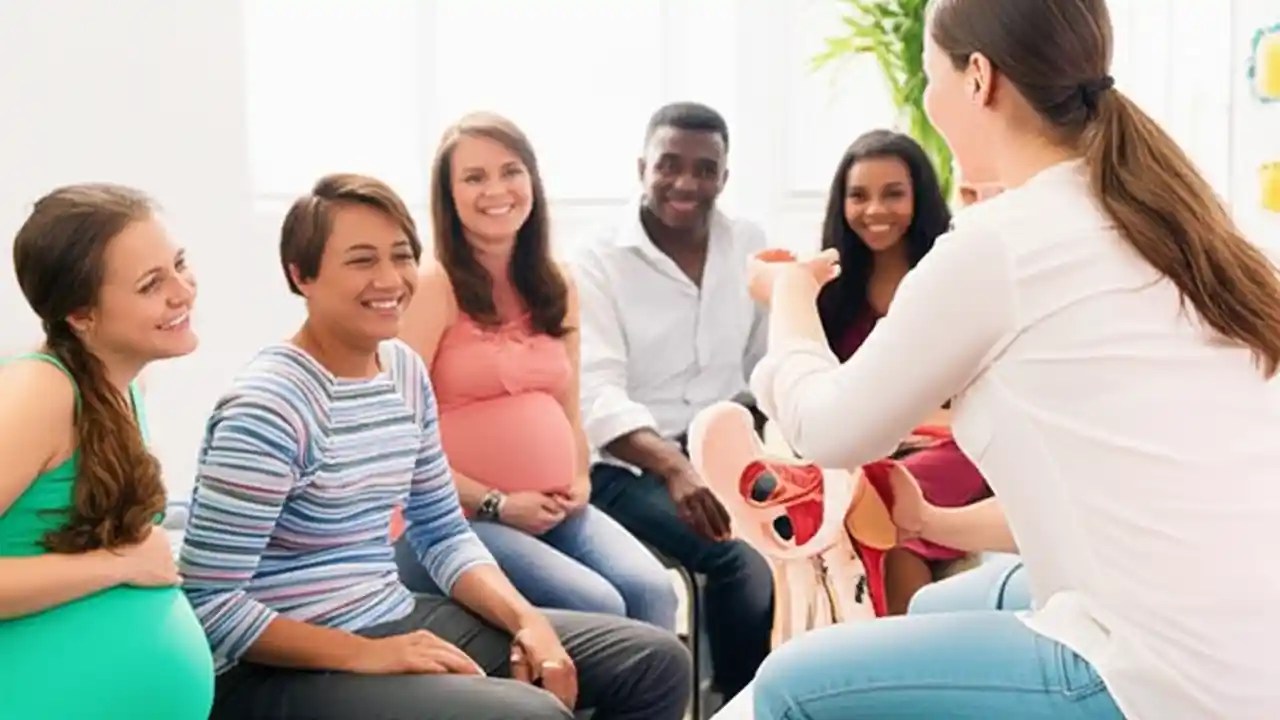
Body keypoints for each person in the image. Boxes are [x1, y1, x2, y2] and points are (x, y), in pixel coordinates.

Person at [744, 0, 1280, 718]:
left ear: (978, 78)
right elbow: (1120, 492)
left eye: (930, 78)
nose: (928, 101)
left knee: (788, 685)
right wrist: (935, 521)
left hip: (1170, 678)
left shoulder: (1002, 245)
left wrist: (788, 296)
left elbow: (830, 429)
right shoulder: (1176, 226)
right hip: (1246, 642)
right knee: (938, 603)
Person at [178, 173, 690, 720]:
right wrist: (367, 655)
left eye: (400, 256)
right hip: (278, 670)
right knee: (527, 713)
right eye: (361, 260)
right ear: (301, 276)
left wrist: (527, 621)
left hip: (390, 614)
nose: (390, 279)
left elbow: (442, 530)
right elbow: (211, 605)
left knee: (655, 661)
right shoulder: (269, 406)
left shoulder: (401, 371)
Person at [396, 111, 677, 631]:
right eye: (474, 177)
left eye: (510, 171)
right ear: (448, 195)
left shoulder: (555, 281)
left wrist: (577, 479)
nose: (496, 189)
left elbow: (568, 408)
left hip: (554, 508)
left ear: (532, 182)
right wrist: (498, 503)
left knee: (652, 591)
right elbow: (398, 438)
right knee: (598, 604)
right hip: (450, 519)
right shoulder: (432, 287)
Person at [574, 101, 774, 701]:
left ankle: (784, 690)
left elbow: (766, 362)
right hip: (628, 465)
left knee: (805, 535)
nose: (686, 183)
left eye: (704, 168)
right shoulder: (597, 256)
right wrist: (678, 468)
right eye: (669, 164)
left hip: (721, 447)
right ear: (642, 167)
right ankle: (735, 705)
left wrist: (753, 449)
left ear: (724, 176)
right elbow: (596, 391)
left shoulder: (749, 243)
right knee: (741, 558)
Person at [0, 184, 213, 719]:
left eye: (179, 264)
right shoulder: (39, 392)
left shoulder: (121, 388)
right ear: (80, 314)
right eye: (150, 284)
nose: (182, 291)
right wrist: (116, 565)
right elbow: (125, 563)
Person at [816, 129, 992, 614]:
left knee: (884, 498)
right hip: (871, 447)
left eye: (893, 193)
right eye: (859, 196)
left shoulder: (950, 273)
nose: (875, 210)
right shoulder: (830, 289)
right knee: (871, 500)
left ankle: (899, 653)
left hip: (954, 440)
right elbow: (822, 387)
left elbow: (975, 387)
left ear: (919, 197)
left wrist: (905, 428)